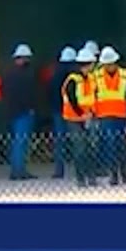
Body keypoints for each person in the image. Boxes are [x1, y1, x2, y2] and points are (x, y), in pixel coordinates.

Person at [92, 46, 126, 185]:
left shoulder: (125, 75)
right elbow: (92, 95)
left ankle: (122, 171)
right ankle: (114, 173)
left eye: (110, 63)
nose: (108, 66)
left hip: (121, 115)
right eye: (106, 64)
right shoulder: (96, 76)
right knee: (110, 144)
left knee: (121, 145)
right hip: (104, 115)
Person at [60, 48, 97, 186]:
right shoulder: (73, 80)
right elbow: (72, 99)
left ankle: (91, 177)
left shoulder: (91, 78)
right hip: (74, 119)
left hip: (88, 117)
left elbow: (94, 96)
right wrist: (82, 114)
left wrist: (91, 113)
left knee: (91, 147)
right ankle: (81, 178)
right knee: (80, 148)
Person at [2, 43, 38, 180]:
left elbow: (2, 91)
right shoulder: (27, 75)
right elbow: (30, 94)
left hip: (11, 112)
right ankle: (19, 171)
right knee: (21, 142)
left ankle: (16, 170)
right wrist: (31, 108)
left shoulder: (8, 75)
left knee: (16, 142)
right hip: (24, 113)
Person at [49, 46, 78, 178]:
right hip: (72, 111)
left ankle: (59, 170)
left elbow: (50, 92)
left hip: (57, 110)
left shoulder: (55, 74)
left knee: (59, 140)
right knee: (77, 140)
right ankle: (80, 168)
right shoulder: (74, 75)